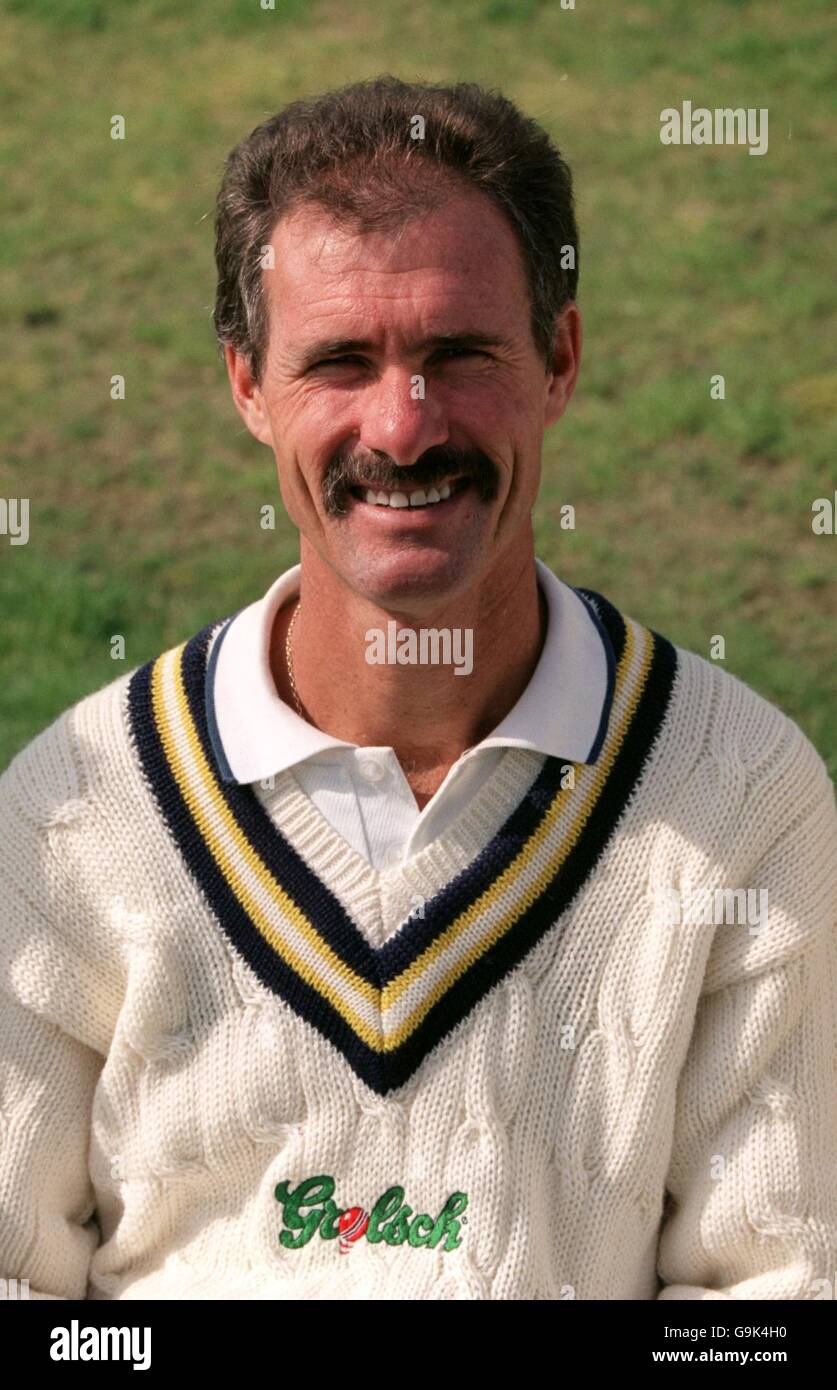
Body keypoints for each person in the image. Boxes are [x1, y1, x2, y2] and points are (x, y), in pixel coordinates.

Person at [1, 75, 835, 1301]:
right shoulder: (72, 809)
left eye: (459, 353)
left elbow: (775, 1296)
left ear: (559, 358)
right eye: (341, 360)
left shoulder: (744, 792)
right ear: (247, 383)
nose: (403, 426)